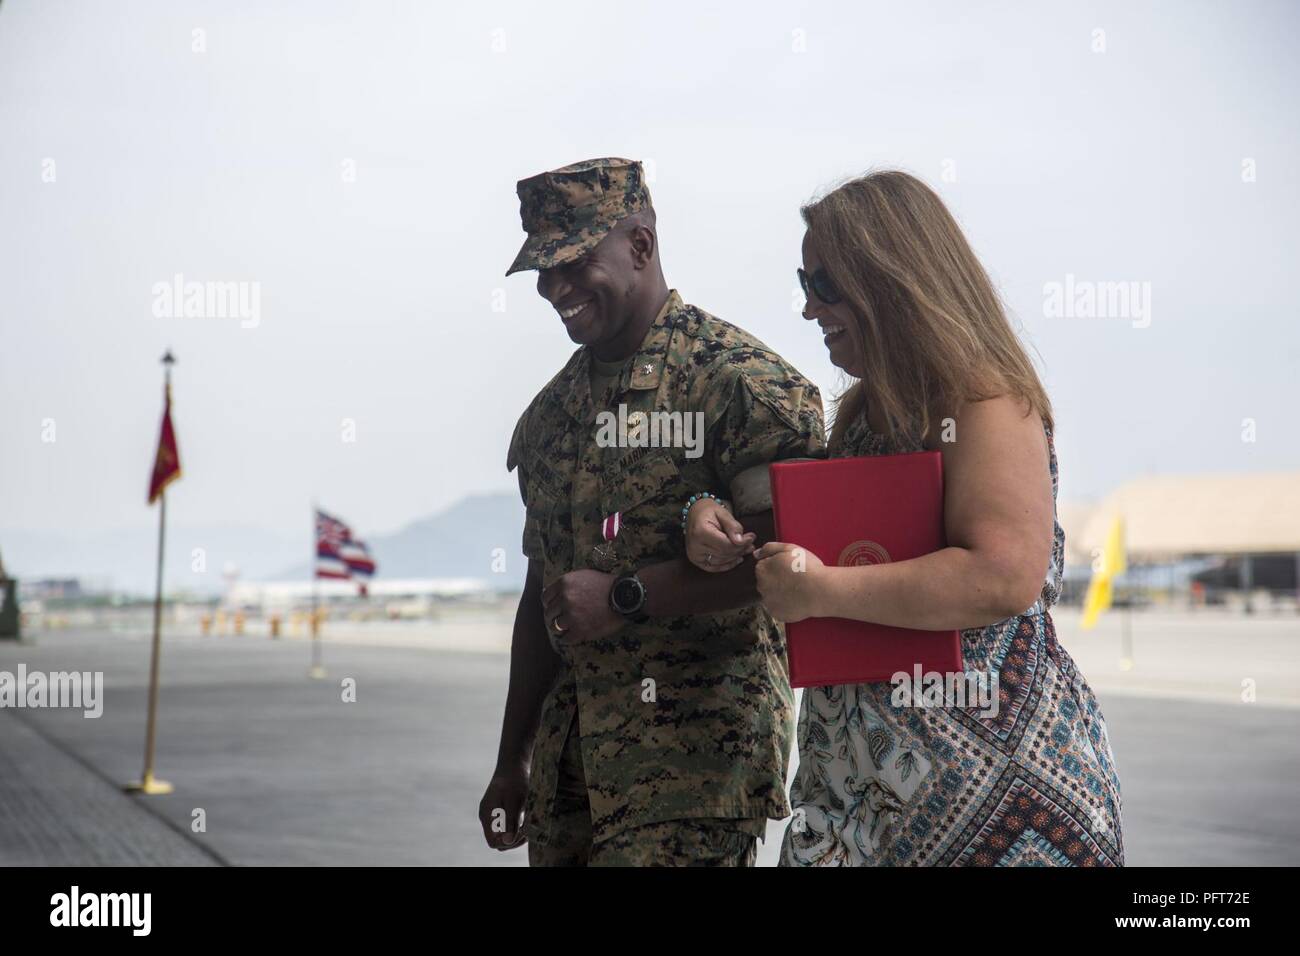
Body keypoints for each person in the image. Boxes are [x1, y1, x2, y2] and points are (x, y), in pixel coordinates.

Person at [685, 170, 1124, 866]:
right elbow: (846, 548)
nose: (808, 310)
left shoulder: (985, 403)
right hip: (872, 799)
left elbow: (1003, 575)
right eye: (805, 286)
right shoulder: (864, 412)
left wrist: (822, 590)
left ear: (892, 279)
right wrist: (711, 519)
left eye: (825, 285)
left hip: (994, 807)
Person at [479, 157, 825, 866]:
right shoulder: (550, 420)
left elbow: (794, 560)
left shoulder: (741, 386)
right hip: (569, 777)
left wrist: (627, 597)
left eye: (573, 262)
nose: (555, 288)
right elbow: (539, 599)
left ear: (639, 246)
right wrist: (512, 760)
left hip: (694, 775)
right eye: (543, 272)